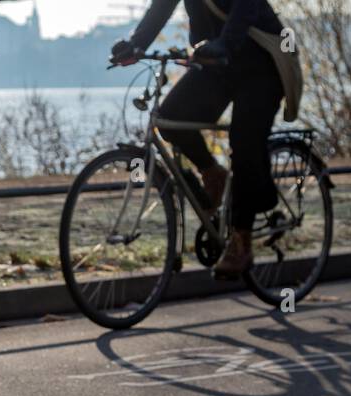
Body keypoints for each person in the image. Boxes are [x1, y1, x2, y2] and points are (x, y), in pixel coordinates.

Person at [110, 0, 290, 279]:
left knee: (244, 143)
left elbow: (246, 5)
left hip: (259, 62)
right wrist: (136, 45)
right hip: (216, 62)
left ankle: (241, 241)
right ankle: (212, 173)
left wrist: (225, 43)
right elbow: (161, 7)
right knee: (170, 118)